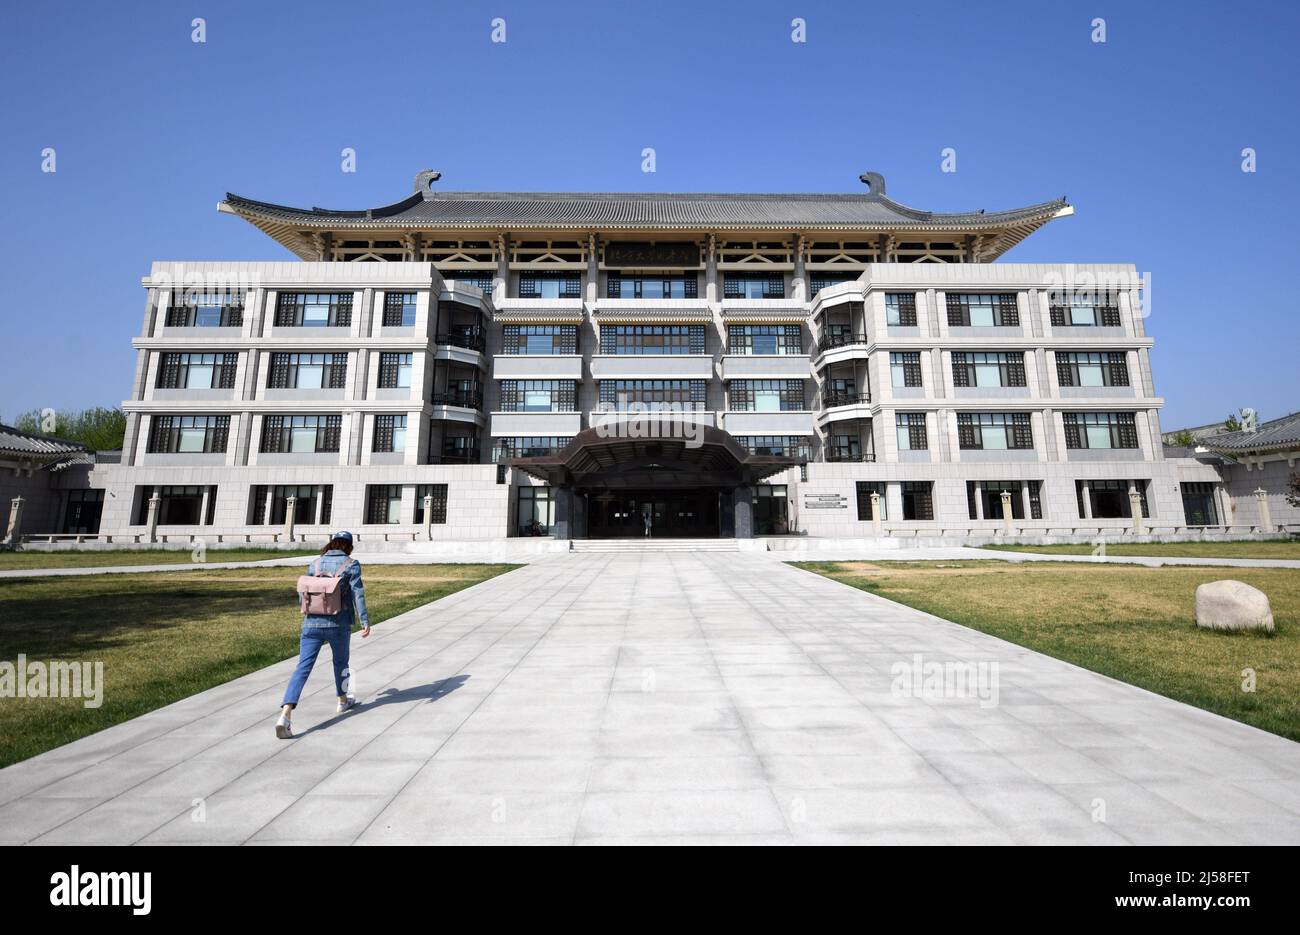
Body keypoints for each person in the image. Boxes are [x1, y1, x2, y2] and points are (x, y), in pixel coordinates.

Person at [275, 531, 370, 739]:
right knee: (341, 663)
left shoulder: (315, 564)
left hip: (311, 623)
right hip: (339, 623)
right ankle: (343, 700)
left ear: (332, 544)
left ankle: (285, 714)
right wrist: (364, 621)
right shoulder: (351, 564)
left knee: (302, 667)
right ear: (348, 547)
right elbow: (358, 594)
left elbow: (304, 593)